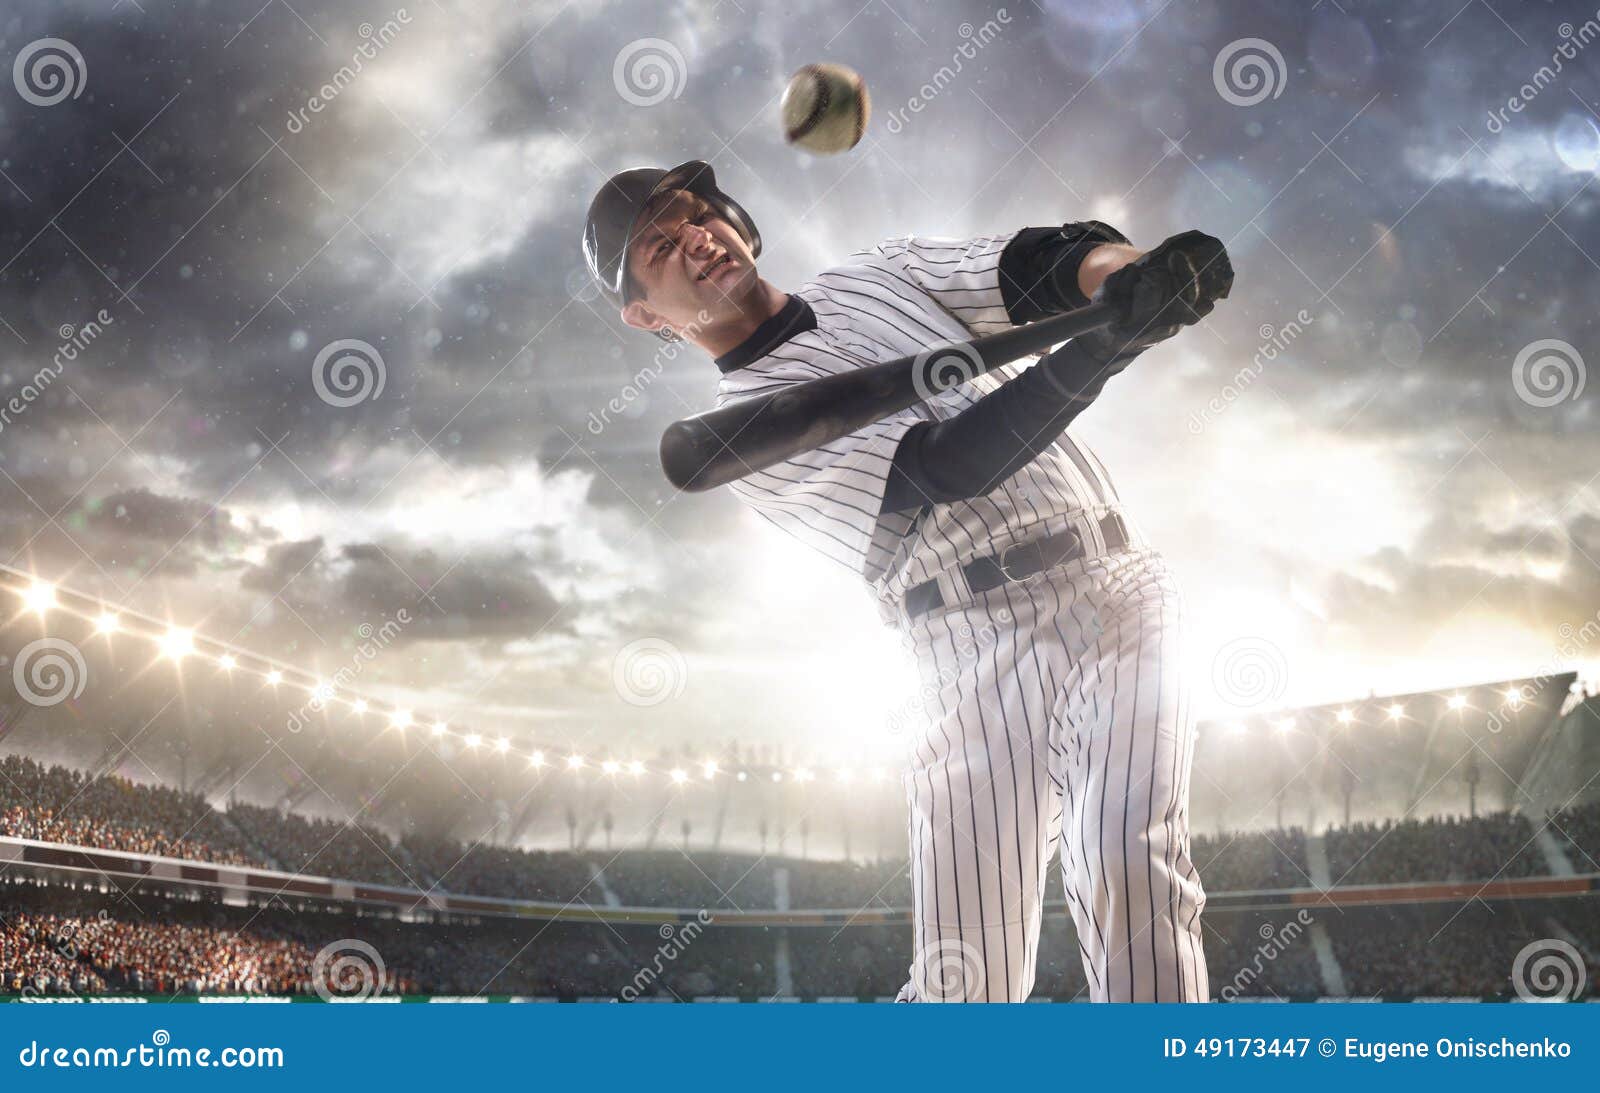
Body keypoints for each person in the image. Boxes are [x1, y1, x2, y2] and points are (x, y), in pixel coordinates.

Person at [583, 160, 1232, 1001]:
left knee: (1127, 858)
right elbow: (951, 463)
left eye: (694, 215)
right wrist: (1108, 345)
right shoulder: (742, 437)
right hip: (964, 652)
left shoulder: (879, 273)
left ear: (734, 218)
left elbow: (1038, 266)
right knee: (968, 981)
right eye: (660, 246)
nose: (694, 239)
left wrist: (1133, 279)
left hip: (1116, 590)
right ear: (646, 314)